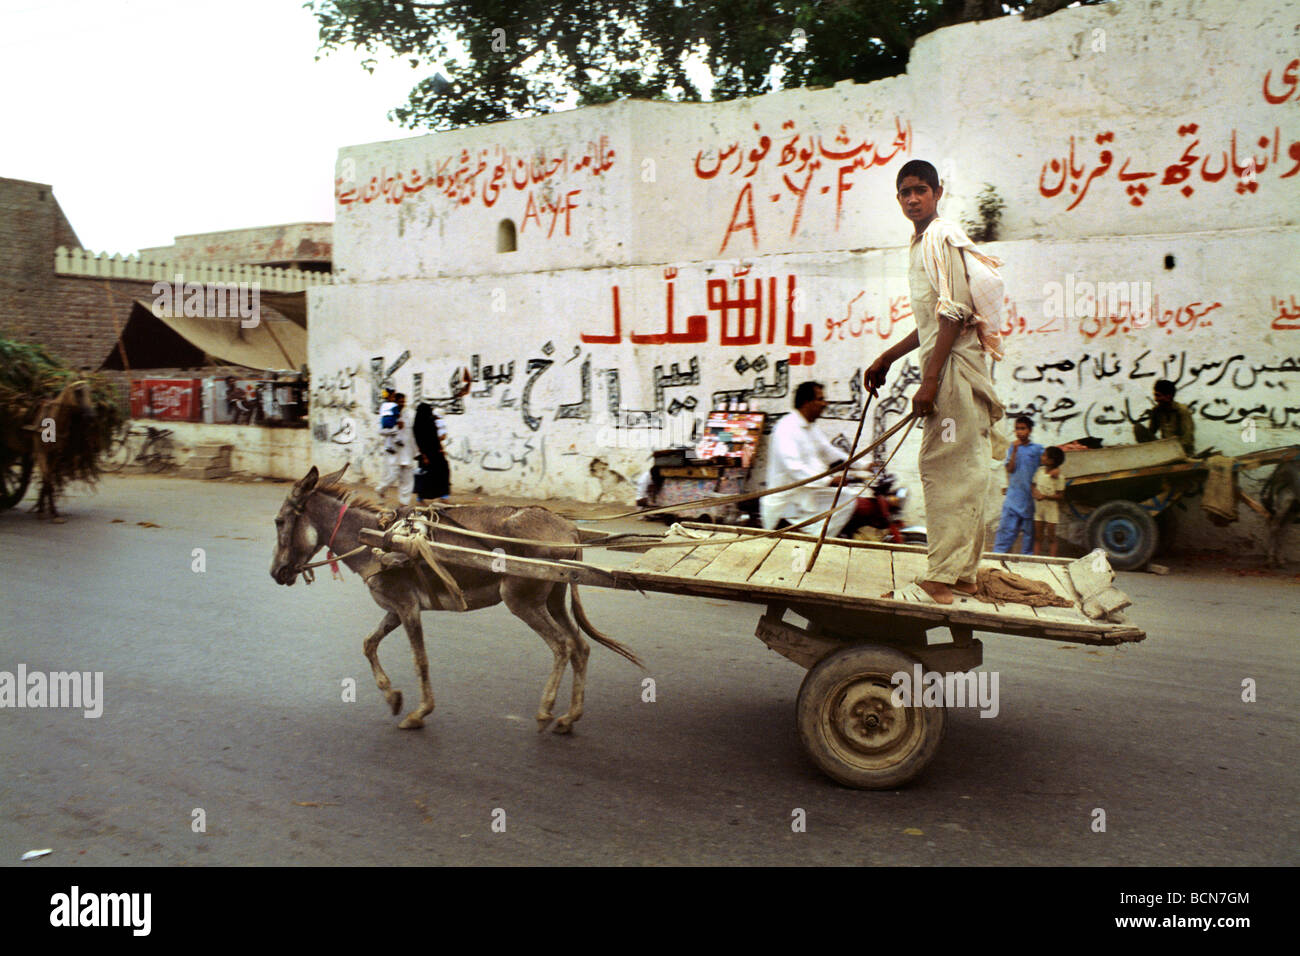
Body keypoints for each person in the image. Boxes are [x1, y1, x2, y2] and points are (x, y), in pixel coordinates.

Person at [864, 159, 1006, 604]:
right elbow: (931, 321)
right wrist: (888, 356)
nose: (912, 199)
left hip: (953, 376)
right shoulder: (922, 243)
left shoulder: (939, 238)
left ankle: (941, 580)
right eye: (905, 192)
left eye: (920, 190)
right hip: (950, 372)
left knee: (944, 471)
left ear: (938, 192)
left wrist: (928, 381)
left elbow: (953, 314)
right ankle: (962, 575)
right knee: (965, 472)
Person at [761, 381, 853, 538]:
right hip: (787, 504)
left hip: (805, 496)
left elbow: (828, 451)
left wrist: (863, 465)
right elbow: (794, 468)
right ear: (806, 402)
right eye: (820, 399)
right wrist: (829, 481)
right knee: (844, 500)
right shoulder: (786, 428)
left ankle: (816, 541)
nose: (825, 404)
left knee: (848, 498)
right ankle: (812, 542)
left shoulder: (811, 428)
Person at [994, 416, 1044, 554]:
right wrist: (1015, 451)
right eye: (1017, 429)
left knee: (1029, 535)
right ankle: (997, 560)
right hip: (1013, 497)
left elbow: (1045, 467)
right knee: (1005, 531)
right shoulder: (1012, 448)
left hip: (1029, 499)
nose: (1019, 432)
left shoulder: (1037, 449)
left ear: (1030, 430)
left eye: (1023, 428)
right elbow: (1010, 469)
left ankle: (1026, 562)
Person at [1134, 379, 1195, 456]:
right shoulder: (1157, 410)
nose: (1155, 399)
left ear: (1168, 396)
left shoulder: (1182, 411)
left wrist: (1174, 450)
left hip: (1181, 450)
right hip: (1164, 449)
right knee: (1138, 428)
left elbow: (1187, 438)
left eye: (1158, 395)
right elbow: (1151, 433)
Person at [375, 392, 414, 504]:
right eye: (400, 401)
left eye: (404, 401)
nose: (402, 404)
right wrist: (396, 427)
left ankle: (404, 503)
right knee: (391, 476)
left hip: (406, 452)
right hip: (393, 452)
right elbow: (381, 431)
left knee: (406, 479)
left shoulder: (407, 415)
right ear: (394, 402)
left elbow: (411, 434)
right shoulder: (388, 414)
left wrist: (415, 452)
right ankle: (381, 489)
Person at [412, 401, 451, 502]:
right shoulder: (418, 426)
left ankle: (443, 495)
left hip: (436, 452)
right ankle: (420, 497)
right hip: (427, 454)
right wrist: (424, 456)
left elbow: (435, 438)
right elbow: (419, 441)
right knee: (426, 476)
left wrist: (441, 449)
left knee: (443, 471)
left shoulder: (430, 422)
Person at [1032, 446, 1066, 557]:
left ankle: (1052, 561)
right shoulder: (1040, 471)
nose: (1042, 457)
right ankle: (1035, 560)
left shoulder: (1059, 477)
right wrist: (1035, 492)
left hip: (1051, 510)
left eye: (1044, 455)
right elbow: (1033, 485)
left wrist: (1045, 496)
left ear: (1051, 461)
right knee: (1038, 536)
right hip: (1039, 510)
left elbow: (1060, 495)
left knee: (1051, 537)